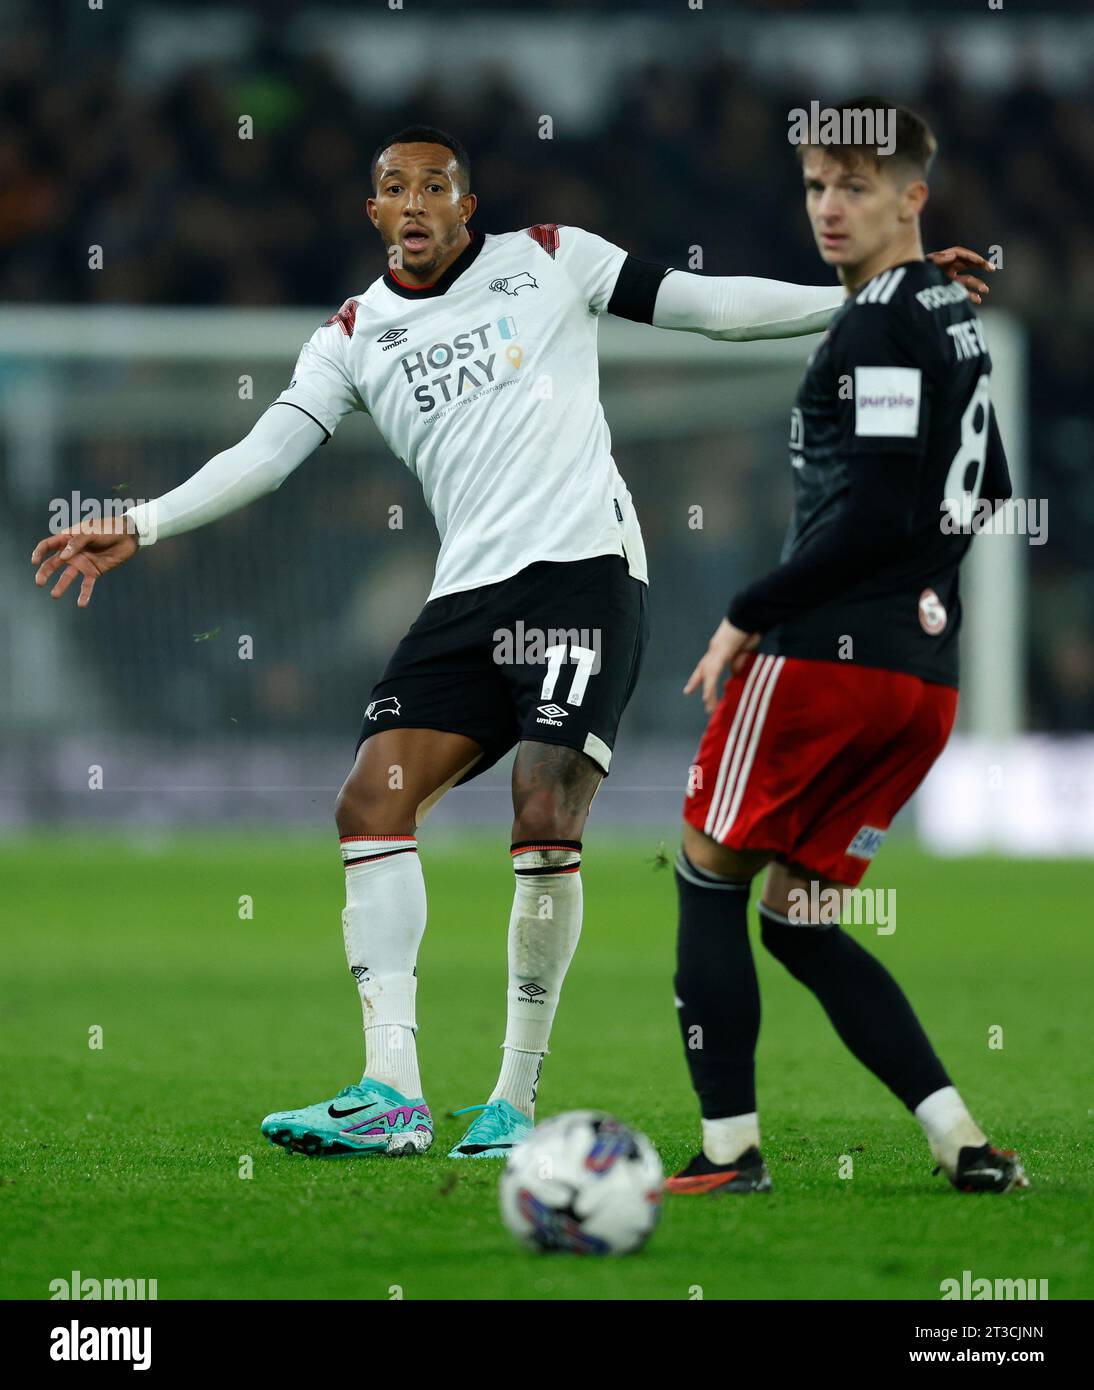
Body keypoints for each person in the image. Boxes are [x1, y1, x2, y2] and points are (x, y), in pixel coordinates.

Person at [31, 124, 990, 1162]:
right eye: (392, 187)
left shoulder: (546, 255)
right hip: (464, 596)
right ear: (371, 212)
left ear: (463, 205)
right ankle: (389, 1087)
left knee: (542, 807)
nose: (412, 202)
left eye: (432, 186)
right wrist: (146, 519)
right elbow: (266, 452)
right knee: (370, 798)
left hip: (584, 572)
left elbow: (703, 307)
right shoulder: (350, 335)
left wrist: (861, 294)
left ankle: (511, 1099)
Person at [668, 99, 1026, 1196]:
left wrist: (747, 609)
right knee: (802, 920)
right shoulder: (943, 310)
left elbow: (867, 510)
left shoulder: (880, 325)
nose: (828, 206)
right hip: (919, 681)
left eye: (855, 187)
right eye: (817, 184)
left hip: (820, 661)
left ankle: (727, 1151)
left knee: (705, 871)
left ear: (910, 198)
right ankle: (961, 1138)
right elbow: (991, 492)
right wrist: (913, 600)